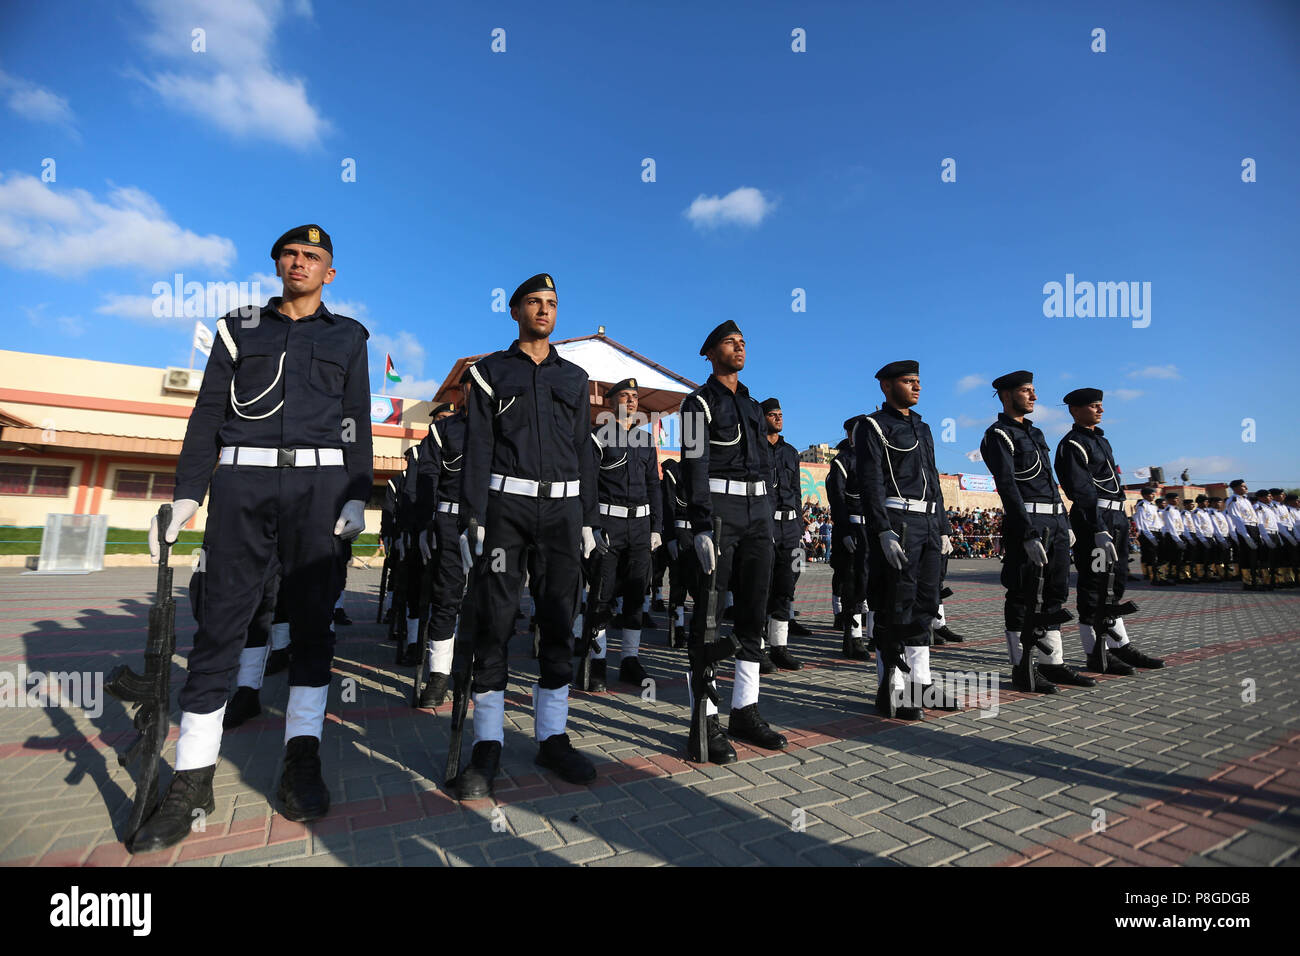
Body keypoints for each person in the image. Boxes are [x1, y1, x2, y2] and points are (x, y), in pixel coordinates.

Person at [135, 224, 370, 852]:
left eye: (314, 256)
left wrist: (356, 491)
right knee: (220, 623)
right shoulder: (239, 326)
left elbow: (354, 418)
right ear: (276, 264)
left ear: (331, 272)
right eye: (291, 254)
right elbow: (208, 410)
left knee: (314, 625)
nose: (300, 262)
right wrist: (188, 492)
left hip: (319, 492)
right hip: (241, 485)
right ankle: (192, 777)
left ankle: (301, 757)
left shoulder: (348, 336)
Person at [453, 273, 600, 799]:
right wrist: (473, 518)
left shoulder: (576, 377)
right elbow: (479, 447)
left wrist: (588, 518)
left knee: (560, 617)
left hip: (562, 510)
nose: (544, 309)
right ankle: (487, 742)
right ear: (514, 311)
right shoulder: (489, 372)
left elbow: (585, 448)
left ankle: (552, 736)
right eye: (534, 302)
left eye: (552, 303)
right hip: (505, 507)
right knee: (495, 618)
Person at [679, 320, 788, 762]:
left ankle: (745, 709)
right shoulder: (695, 404)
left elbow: (764, 467)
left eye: (743, 343)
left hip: (758, 517)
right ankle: (703, 719)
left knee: (752, 614)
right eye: (730, 342)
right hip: (720, 517)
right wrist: (701, 524)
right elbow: (693, 464)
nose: (740, 348)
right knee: (707, 617)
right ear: (710, 352)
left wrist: (768, 517)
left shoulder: (753, 405)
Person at [853, 361, 958, 719]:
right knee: (895, 603)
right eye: (908, 381)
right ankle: (893, 687)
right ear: (885, 385)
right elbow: (871, 481)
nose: (916, 387)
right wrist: (882, 529)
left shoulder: (923, 428)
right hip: (899, 520)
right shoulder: (872, 426)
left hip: (928, 522)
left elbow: (934, 479)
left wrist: (943, 527)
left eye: (918, 381)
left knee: (925, 605)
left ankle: (921, 684)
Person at [979, 371, 1094, 693]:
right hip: (1029, 523)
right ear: (1006, 395)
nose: (1034, 397)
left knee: (1055, 593)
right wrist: (1027, 532)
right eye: (1027, 391)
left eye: (1033, 390)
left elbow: (1049, 482)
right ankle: (1022, 668)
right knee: (1024, 594)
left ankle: (1052, 663)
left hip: (1055, 522)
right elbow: (1007, 486)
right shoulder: (998, 435)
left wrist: (1065, 522)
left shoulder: (1037, 433)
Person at [1053, 388, 1163, 674]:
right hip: (1095, 519)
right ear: (1075, 410)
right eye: (1093, 406)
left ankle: (1119, 645)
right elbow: (1081, 489)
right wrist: (1098, 528)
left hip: (1116, 516)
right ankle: (1095, 652)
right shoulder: (1072, 444)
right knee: (1094, 584)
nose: (1100, 410)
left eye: (1101, 405)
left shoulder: (1101, 440)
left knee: (1115, 582)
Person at [579, 378, 661, 691]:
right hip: (608, 527)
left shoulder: (644, 439)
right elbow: (588, 483)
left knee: (637, 596)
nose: (630, 400)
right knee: (601, 594)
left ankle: (629, 660)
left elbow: (654, 485)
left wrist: (657, 527)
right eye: (624, 395)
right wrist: (589, 525)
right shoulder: (597, 435)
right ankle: (596, 662)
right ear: (611, 402)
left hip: (640, 528)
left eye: (634, 396)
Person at [407, 391, 467, 706]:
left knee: (493, 603)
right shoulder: (444, 430)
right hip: (448, 521)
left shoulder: (504, 428)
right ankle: (439, 674)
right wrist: (424, 525)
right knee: (446, 598)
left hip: (494, 523)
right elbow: (427, 477)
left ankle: (480, 667)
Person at [761, 397, 804, 671]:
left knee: (785, 589)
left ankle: (779, 647)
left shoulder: (791, 452)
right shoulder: (754, 448)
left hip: (789, 527)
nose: (778, 418)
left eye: (780, 414)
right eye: (773, 414)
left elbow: (797, 492)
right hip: (764, 525)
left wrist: (798, 527)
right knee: (761, 589)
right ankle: (759, 648)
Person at [828, 416, 871, 659]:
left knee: (873, 583)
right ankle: (852, 639)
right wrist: (844, 529)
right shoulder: (843, 461)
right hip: (852, 528)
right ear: (850, 435)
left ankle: (875, 635)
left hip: (873, 529)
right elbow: (837, 497)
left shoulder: (876, 460)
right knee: (852, 583)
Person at [659, 455, 693, 647]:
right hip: (681, 532)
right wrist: (670, 537)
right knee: (678, 584)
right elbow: (669, 507)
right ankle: (676, 630)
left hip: (700, 533)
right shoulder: (673, 473)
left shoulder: (704, 470)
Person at [1225, 479, 1263, 589]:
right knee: (1247, 557)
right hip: (1245, 528)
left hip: (1253, 527)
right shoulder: (1233, 500)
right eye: (1243, 486)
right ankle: (1248, 582)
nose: (1246, 488)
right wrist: (1246, 536)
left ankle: (1256, 580)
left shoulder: (1246, 500)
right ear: (1235, 488)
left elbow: (1254, 517)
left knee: (1255, 556)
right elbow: (1237, 520)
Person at [1133, 485, 1162, 583]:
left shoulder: (1153, 506)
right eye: (1151, 494)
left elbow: (1157, 521)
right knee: (1150, 555)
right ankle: (1152, 576)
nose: (1153, 496)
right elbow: (1142, 522)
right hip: (1147, 532)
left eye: (1154, 494)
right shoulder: (1142, 505)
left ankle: (1156, 575)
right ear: (1145, 495)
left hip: (1155, 531)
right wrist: (1150, 536)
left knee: (1155, 554)